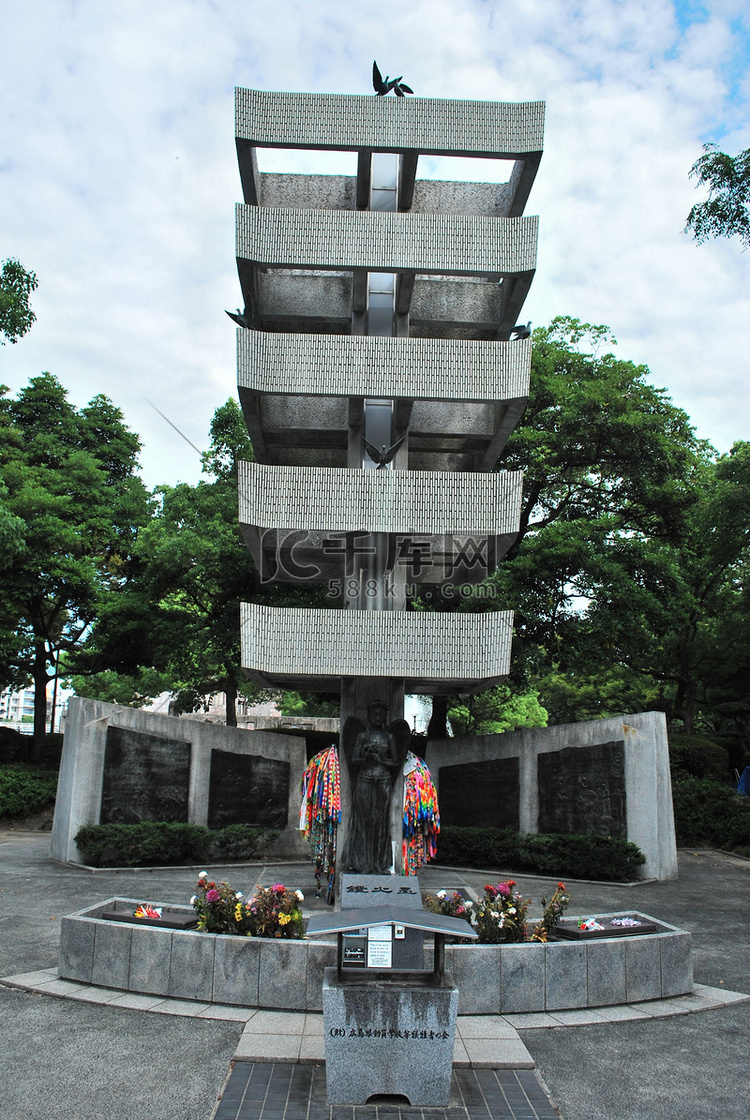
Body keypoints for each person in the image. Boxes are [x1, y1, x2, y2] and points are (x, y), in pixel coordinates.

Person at [346, 702, 400, 874]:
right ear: (369, 716)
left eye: (380, 715)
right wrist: (365, 756)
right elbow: (353, 760)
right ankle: (364, 862)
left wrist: (382, 759)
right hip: (365, 779)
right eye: (374, 714)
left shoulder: (389, 737)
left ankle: (379, 863)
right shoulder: (362, 736)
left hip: (383, 779)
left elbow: (396, 761)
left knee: (380, 822)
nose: (377, 718)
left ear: (385, 716)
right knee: (365, 821)